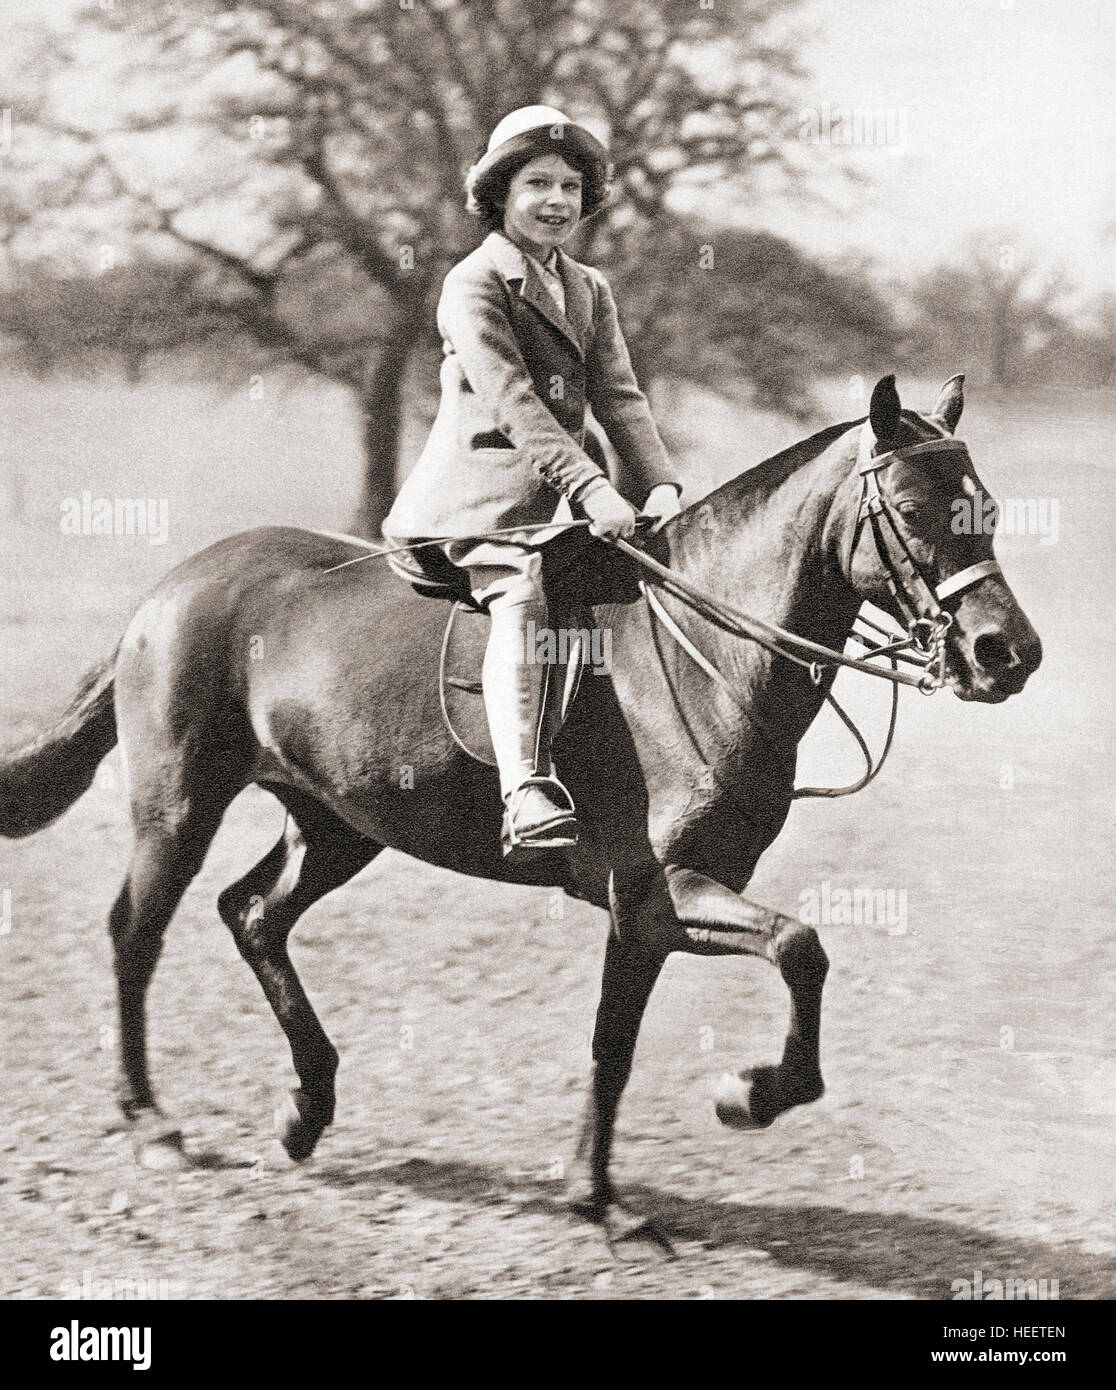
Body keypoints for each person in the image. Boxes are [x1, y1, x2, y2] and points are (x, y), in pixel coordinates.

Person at [382, 105, 682, 857]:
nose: (557, 201)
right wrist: (593, 488)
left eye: (571, 187)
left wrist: (658, 484)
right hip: (479, 505)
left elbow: (618, 394)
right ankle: (525, 789)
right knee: (522, 593)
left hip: (569, 500)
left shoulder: (588, 286)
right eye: (537, 184)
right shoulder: (472, 281)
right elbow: (514, 402)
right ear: (500, 195)